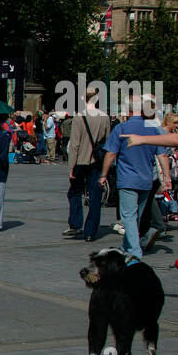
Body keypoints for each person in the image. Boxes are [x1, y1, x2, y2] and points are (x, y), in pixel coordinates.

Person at [100, 92, 168, 262]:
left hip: (127, 179)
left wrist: (103, 174)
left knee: (128, 217)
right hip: (146, 180)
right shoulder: (152, 128)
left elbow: (110, 154)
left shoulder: (121, 128)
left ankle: (135, 252)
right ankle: (126, 246)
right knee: (135, 216)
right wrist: (166, 177)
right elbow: (163, 155)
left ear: (128, 111)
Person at [64, 86, 111, 242]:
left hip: (81, 161)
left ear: (84, 98)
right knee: (95, 195)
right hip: (98, 162)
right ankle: (90, 231)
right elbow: (107, 141)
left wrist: (71, 167)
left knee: (74, 192)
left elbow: (75, 145)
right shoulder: (104, 117)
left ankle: (76, 224)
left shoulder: (79, 117)